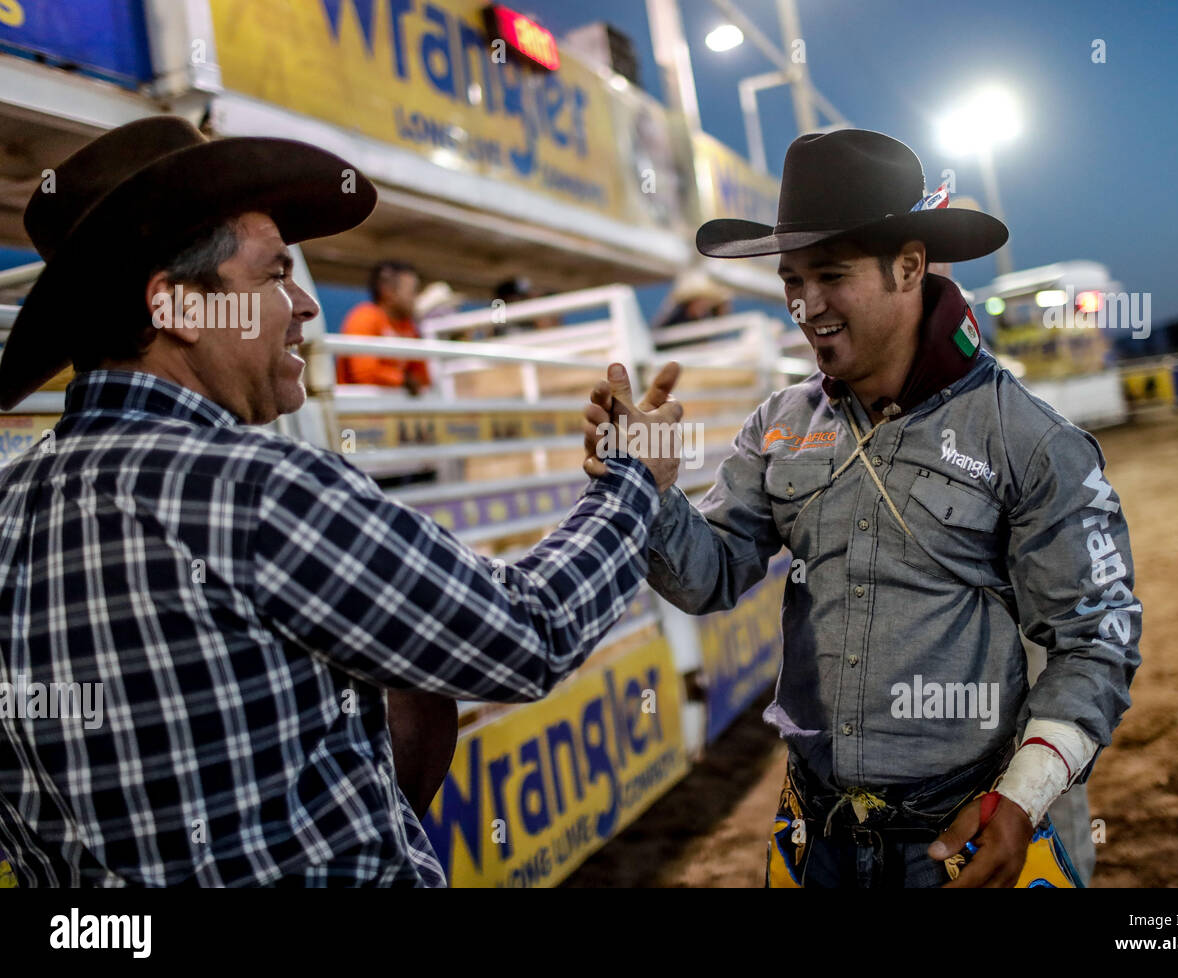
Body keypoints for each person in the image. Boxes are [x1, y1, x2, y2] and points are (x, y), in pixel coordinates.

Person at [0, 116, 682, 887]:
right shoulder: (253, 489)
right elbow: (530, 633)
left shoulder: (11, 504)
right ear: (180, 310)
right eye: (273, 275)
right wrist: (633, 479)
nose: (304, 303)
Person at [590, 129, 1141, 888]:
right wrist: (649, 492)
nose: (804, 304)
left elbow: (1096, 640)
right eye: (792, 278)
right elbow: (708, 576)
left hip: (960, 838)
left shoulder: (1030, 439)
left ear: (910, 266)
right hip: (815, 836)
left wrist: (1022, 800)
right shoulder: (778, 422)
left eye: (831, 275)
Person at [335, 260, 432, 394]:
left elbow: (422, 378)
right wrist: (403, 380)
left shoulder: (408, 326)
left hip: (390, 409)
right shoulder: (365, 317)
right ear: (387, 291)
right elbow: (364, 374)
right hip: (358, 410)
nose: (415, 298)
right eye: (412, 291)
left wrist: (407, 381)